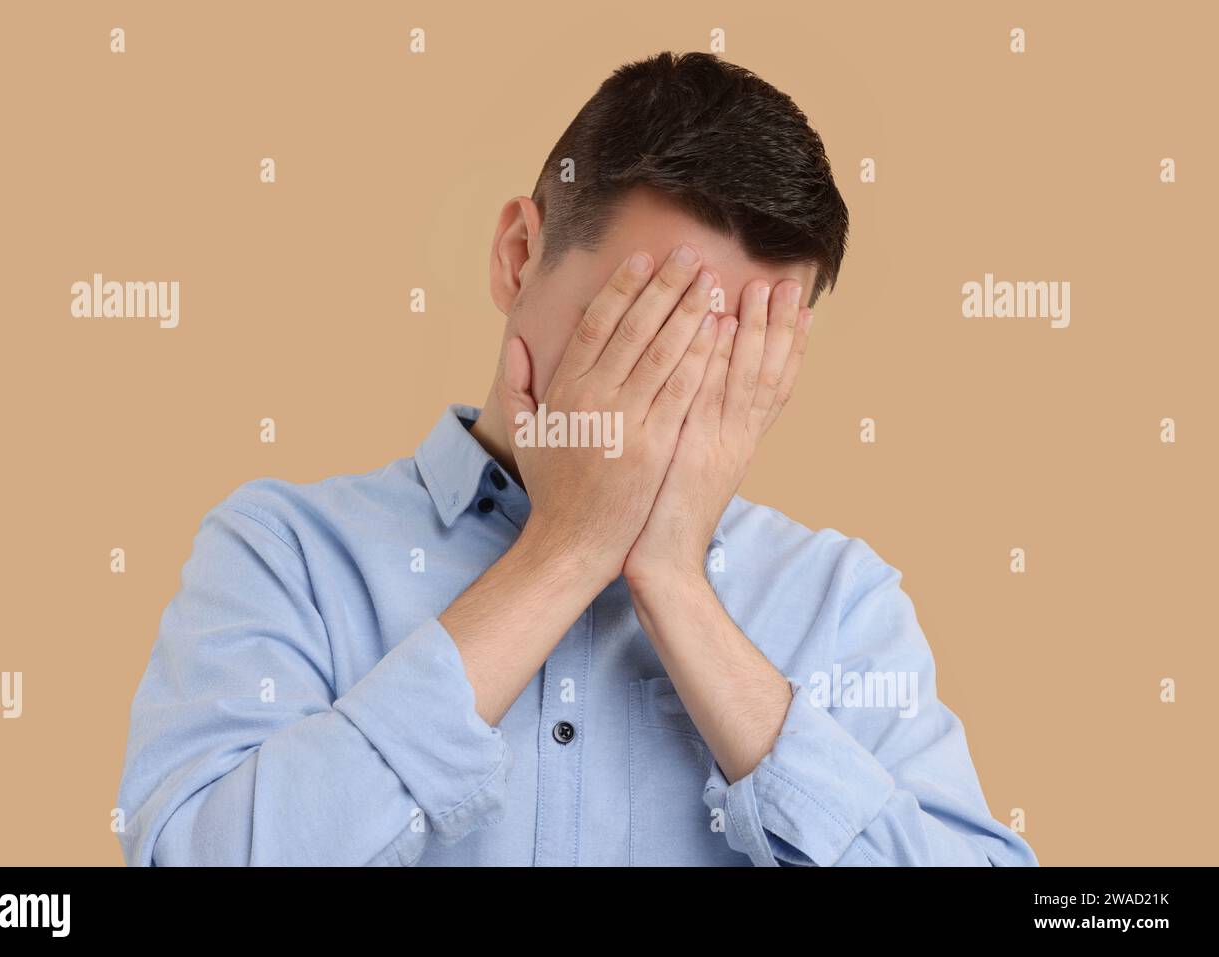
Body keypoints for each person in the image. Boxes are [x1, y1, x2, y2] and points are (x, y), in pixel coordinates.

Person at [116, 51, 1038, 866]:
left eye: (731, 350)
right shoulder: (286, 553)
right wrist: (562, 552)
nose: (671, 388)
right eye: (641, 325)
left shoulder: (843, 601)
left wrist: (674, 582)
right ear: (520, 257)